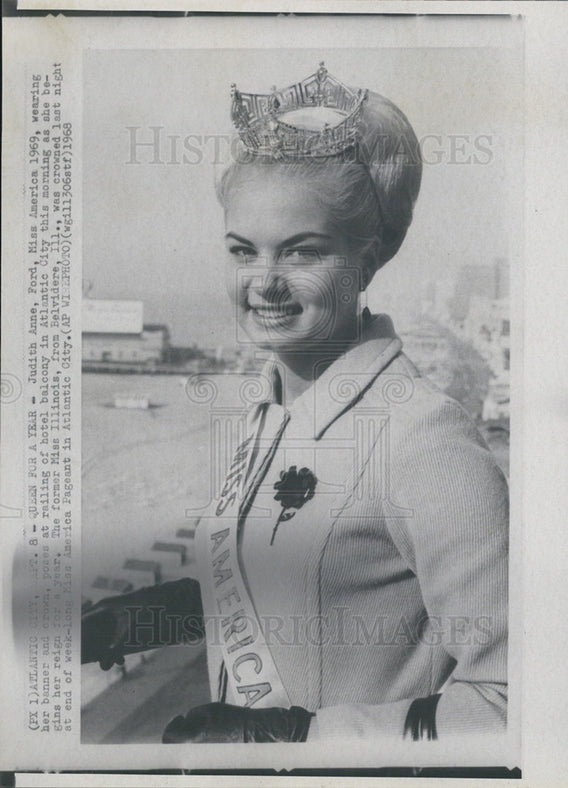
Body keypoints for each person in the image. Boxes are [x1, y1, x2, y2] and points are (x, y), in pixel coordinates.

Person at [82, 64, 509, 744]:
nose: (265, 284)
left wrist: (294, 738)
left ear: (366, 262)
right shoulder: (266, 408)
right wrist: (140, 619)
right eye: (242, 251)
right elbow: (280, 587)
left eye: (302, 252)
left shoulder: (423, 440)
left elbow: (513, 702)